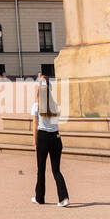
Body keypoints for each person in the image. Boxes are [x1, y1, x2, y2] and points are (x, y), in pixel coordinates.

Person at [31, 75, 69, 206]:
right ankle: (63, 198)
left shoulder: (36, 106)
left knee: (41, 169)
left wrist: (35, 142)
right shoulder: (55, 106)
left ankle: (39, 197)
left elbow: (35, 126)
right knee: (56, 170)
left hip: (43, 137)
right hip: (56, 138)